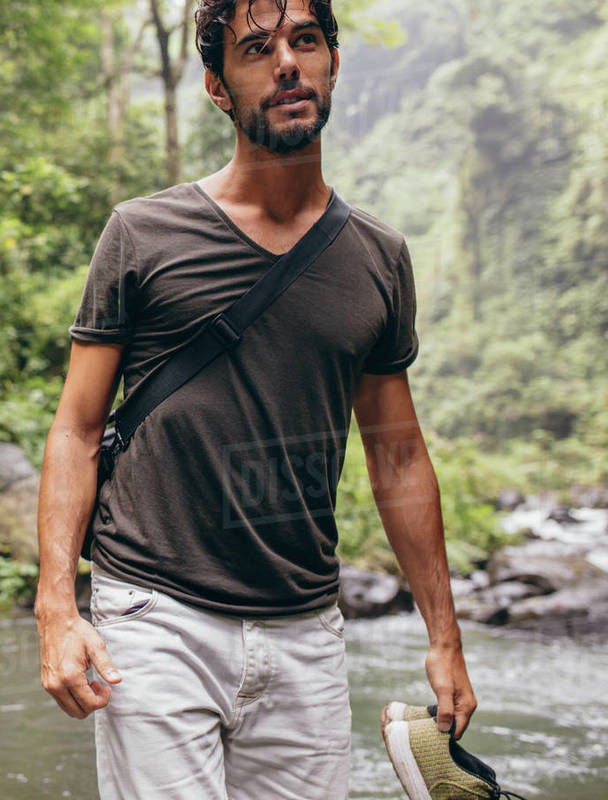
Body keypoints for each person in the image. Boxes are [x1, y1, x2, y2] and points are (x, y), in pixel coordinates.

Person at [33, 1, 477, 797]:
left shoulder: (378, 258)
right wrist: (57, 608)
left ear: (333, 63)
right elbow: (76, 428)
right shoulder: (142, 234)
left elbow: (399, 454)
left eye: (305, 40)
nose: (286, 63)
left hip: (305, 629)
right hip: (155, 617)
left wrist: (445, 637)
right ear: (216, 85)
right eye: (255, 49)